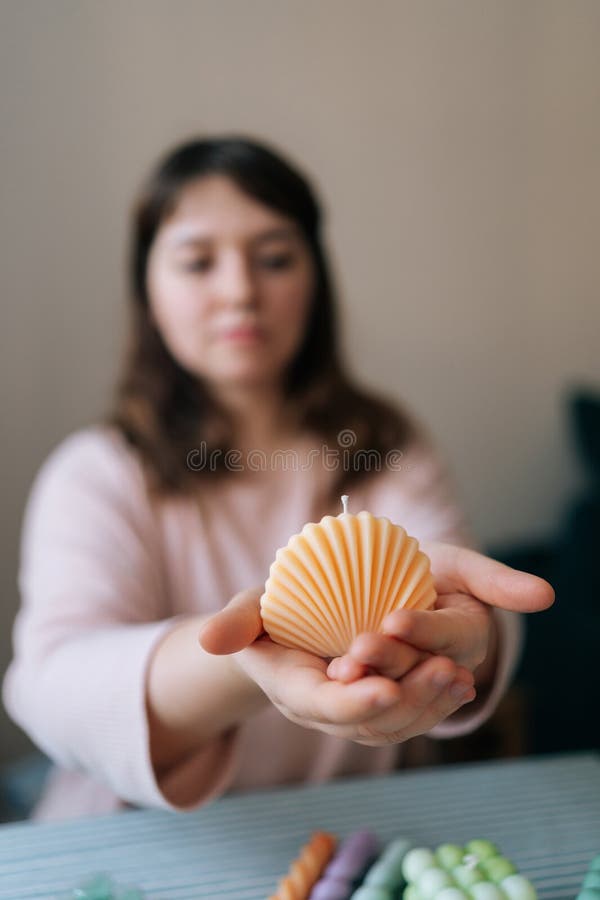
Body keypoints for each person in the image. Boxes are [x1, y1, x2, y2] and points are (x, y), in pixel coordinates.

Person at [2, 136, 553, 822]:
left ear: (314, 278)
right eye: (198, 262)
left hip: (349, 833)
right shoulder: (97, 473)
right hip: (140, 842)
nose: (239, 292)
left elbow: (463, 607)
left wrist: (478, 637)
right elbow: (53, 686)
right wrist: (240, 662)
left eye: (274, 258)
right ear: (148, 284)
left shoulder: (384, 444)